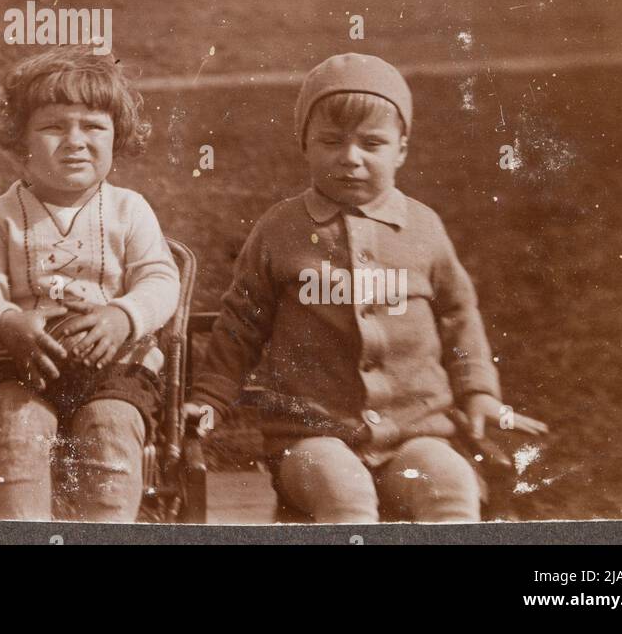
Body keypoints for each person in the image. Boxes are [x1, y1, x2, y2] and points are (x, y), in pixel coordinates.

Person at [186, 52, 546, 523]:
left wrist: (479, 393)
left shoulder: (423, 228)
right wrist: (211, 397)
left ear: (401, 149)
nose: (350, 158)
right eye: (331, 141)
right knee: (344, 494)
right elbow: (241, 322)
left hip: (417, 434)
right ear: (305, 145)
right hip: (309, 437)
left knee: (451, 487)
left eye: (372, 143)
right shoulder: (280, 229)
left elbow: (459, 316)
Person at [0, 48, 181, 521]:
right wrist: (8, 322)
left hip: (114, 367)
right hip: (21, 367)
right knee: (18, 433)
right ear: (21, 141)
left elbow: (159, 278)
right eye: (54, 127)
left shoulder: (129, 210)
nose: (75, 141)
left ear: (117, 137)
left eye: (93, 127)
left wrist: (124, 315)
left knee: (111, 434)